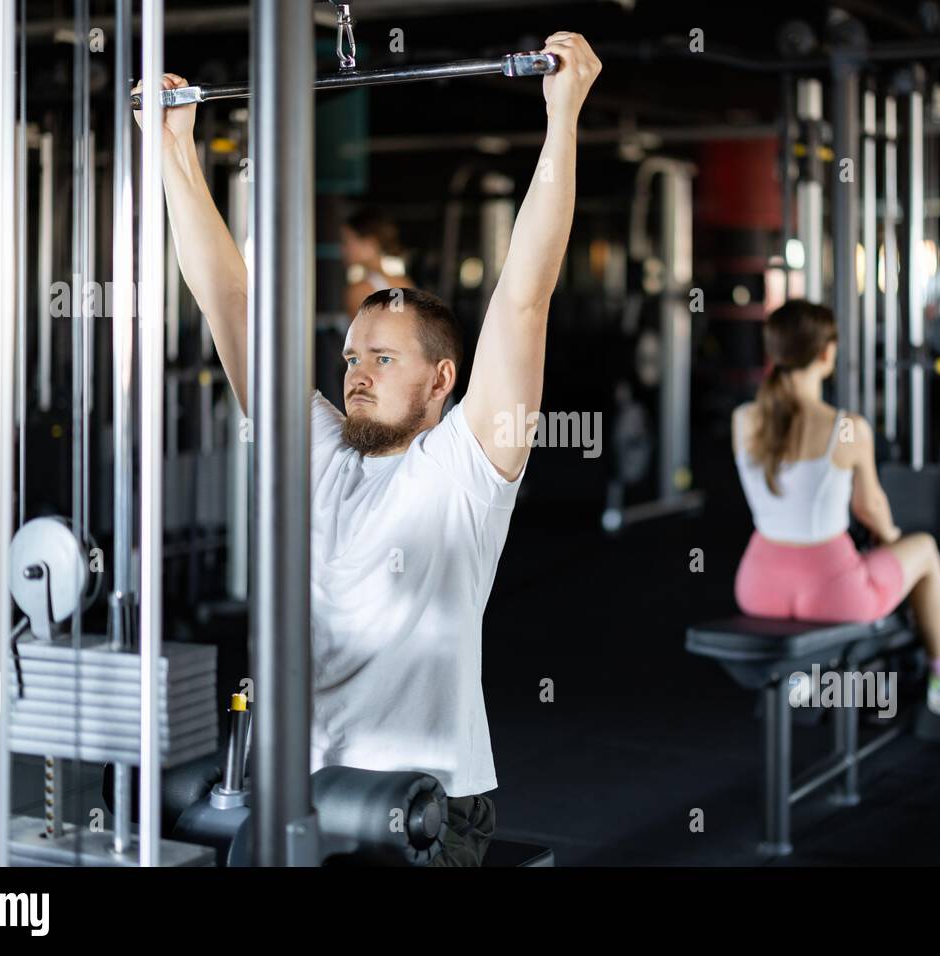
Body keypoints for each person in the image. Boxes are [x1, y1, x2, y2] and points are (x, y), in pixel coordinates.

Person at [134, 31, 602, 865]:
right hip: (299, 786)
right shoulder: (311, 447)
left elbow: (525, 298)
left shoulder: (467, 469)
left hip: (427, 807)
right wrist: (173, 151)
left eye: (384, 359)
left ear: (441, 381)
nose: (356, 373)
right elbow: (230, 300)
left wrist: (561, 117)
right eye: (351, 356)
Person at [730, 300, 940, 717]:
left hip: (758, 588)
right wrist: (890, 540)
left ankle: (810, 677)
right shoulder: (847, 427)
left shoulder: (743, 420)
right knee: (922, 550)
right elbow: (870, 506)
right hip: (831, 593)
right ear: (827, 353)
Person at [340, 208, 413, 317]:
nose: (343, 249)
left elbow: (360, 334)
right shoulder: (403, 282)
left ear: (369, 243)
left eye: (347, 242)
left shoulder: (358, 291)